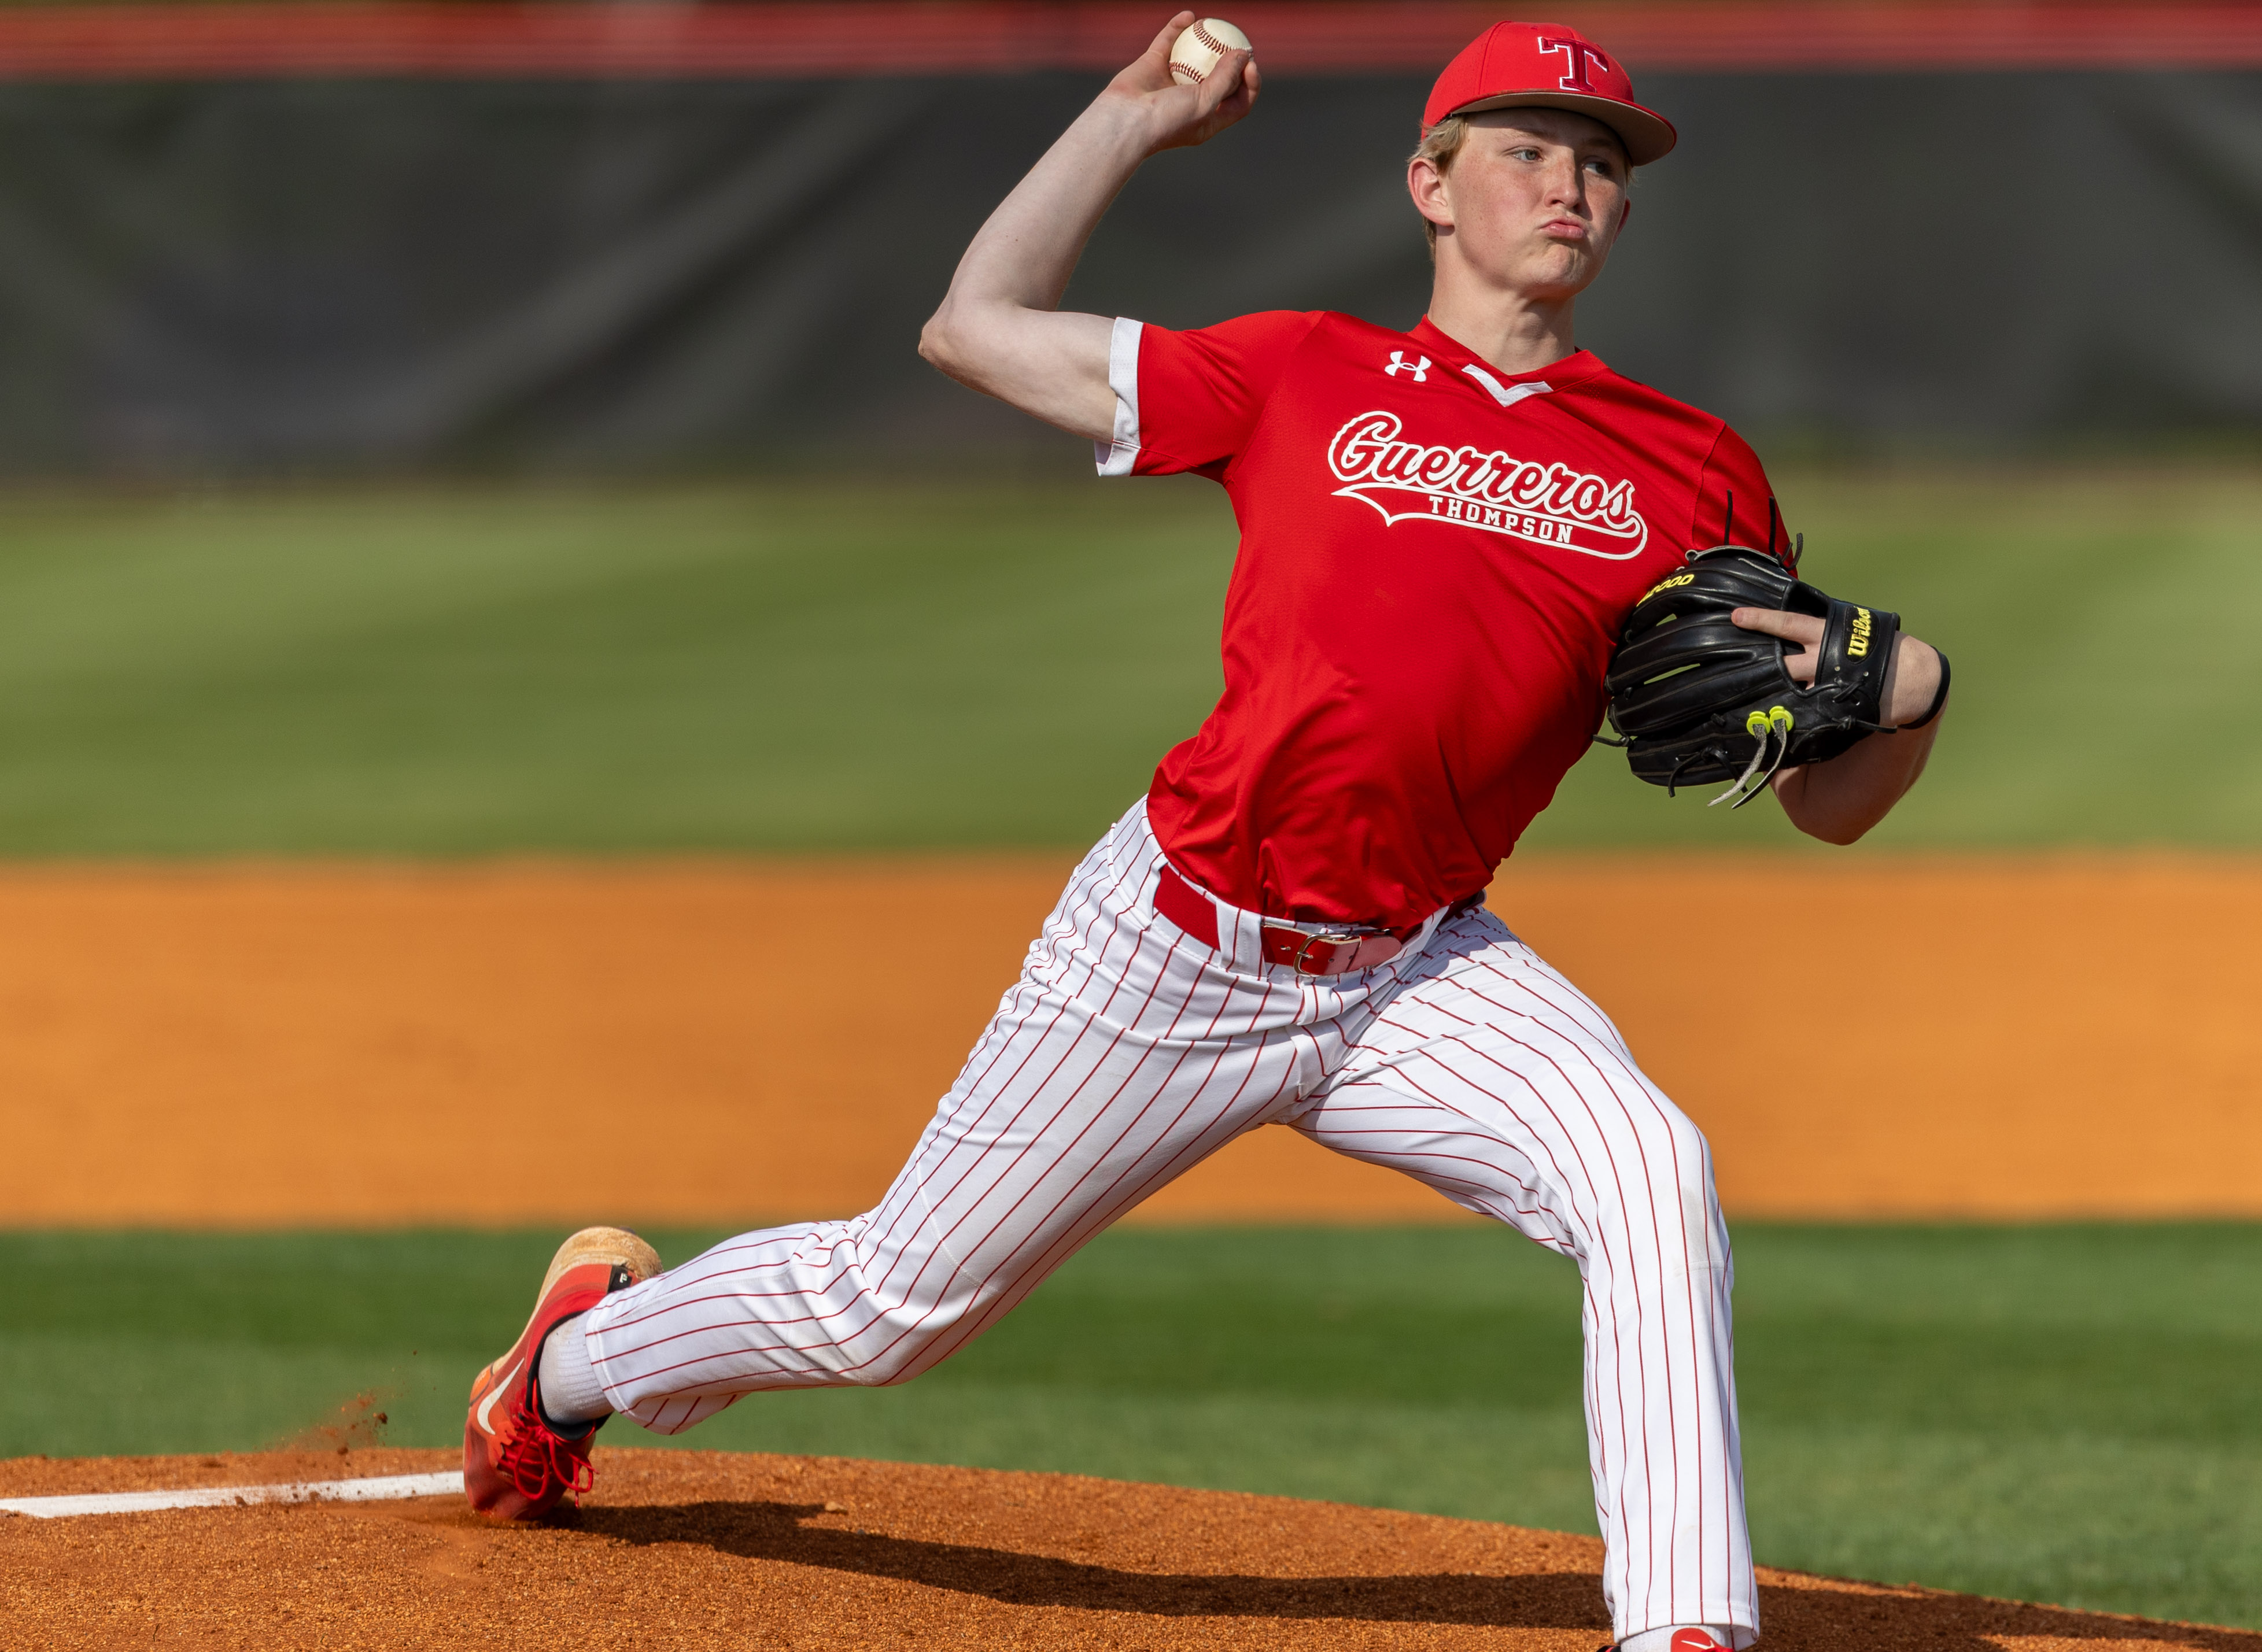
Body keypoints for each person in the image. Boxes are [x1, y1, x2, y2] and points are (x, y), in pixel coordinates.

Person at [462, 16, 1948, 1651]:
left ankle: (1686, 1631)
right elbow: (972, 328)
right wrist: (1125, 120)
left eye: (1602, 159)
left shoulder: (1693, 469)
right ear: (1430, 189)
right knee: (887, 1305)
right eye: (1525, 149)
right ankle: (566, 1366)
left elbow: (1822, 805)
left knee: (1649, 1167)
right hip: (1179, 940)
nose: (1571, 182)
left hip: (1419, 967)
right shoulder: (1299, 368)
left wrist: (1907, 702)